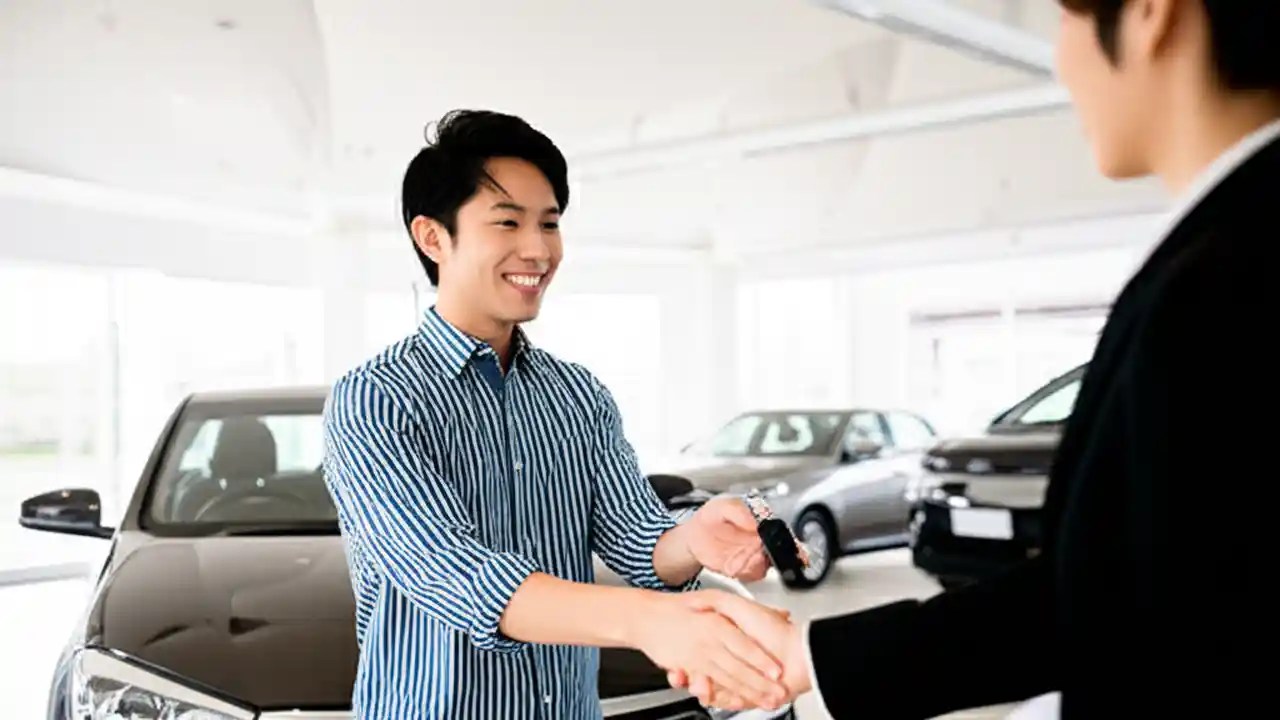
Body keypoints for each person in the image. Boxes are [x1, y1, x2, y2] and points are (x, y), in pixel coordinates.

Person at [670, 0, 1279, 717]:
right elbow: (1124, 585)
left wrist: (808, 658)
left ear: (1149, 13)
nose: (1061, 60)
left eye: (1065, 18)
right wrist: (812, 657)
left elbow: (1115, 604)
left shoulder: (1228, 277)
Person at [321, 109, 791, 719]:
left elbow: (637, 540)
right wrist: (656, 624)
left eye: (549, 224)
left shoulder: (578, 395)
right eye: (508, 223)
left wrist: (694, 538)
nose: (538, 250)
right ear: (433, 237)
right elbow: (450, 570)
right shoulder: (375, 398)